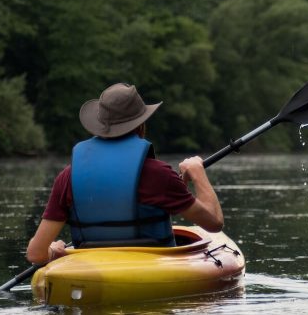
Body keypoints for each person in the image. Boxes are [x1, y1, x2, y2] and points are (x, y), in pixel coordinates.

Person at [26, 83, 223, 264]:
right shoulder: (159, 174)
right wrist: (197, 172)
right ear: (141, 126)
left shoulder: (67, 178)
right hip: (152, 274)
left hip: (90, 275)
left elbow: (36, 254)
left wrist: (54, 252)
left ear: (100, 126)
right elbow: (214, 223)